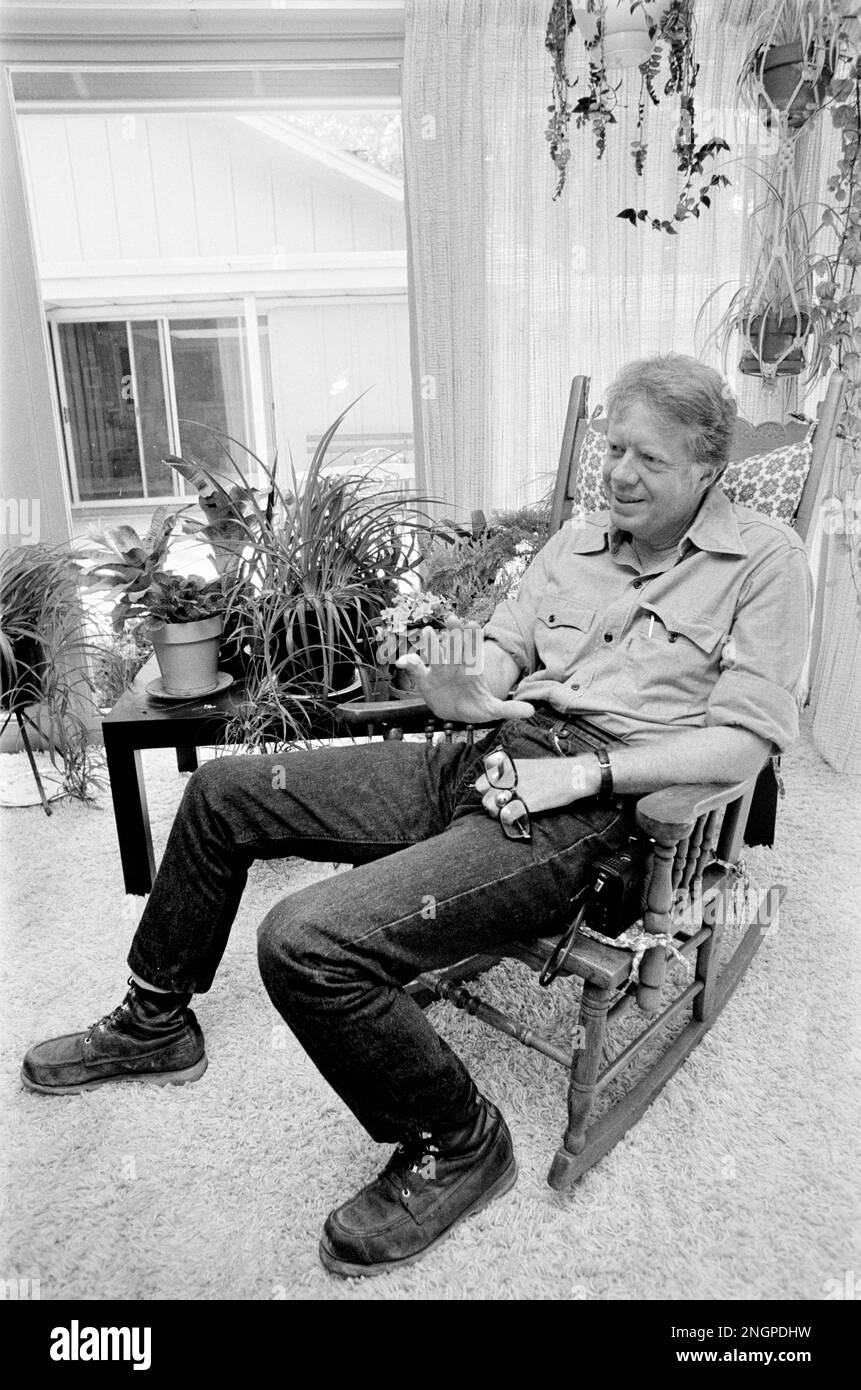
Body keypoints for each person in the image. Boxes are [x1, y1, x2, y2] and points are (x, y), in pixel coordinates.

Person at [21, 355, 811, 1278]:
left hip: (597, 816)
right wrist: (460, 686)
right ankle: (157, 1017)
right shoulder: (578, 543)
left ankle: (460, 1140)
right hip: (486, 758)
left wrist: (588, 774)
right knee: (223, 790)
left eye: (646, 460)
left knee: (306, 942)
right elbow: (501, 659)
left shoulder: (762, 562)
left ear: (707, 471)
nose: (617, 474)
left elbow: (744, 746)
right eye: (611, 448)